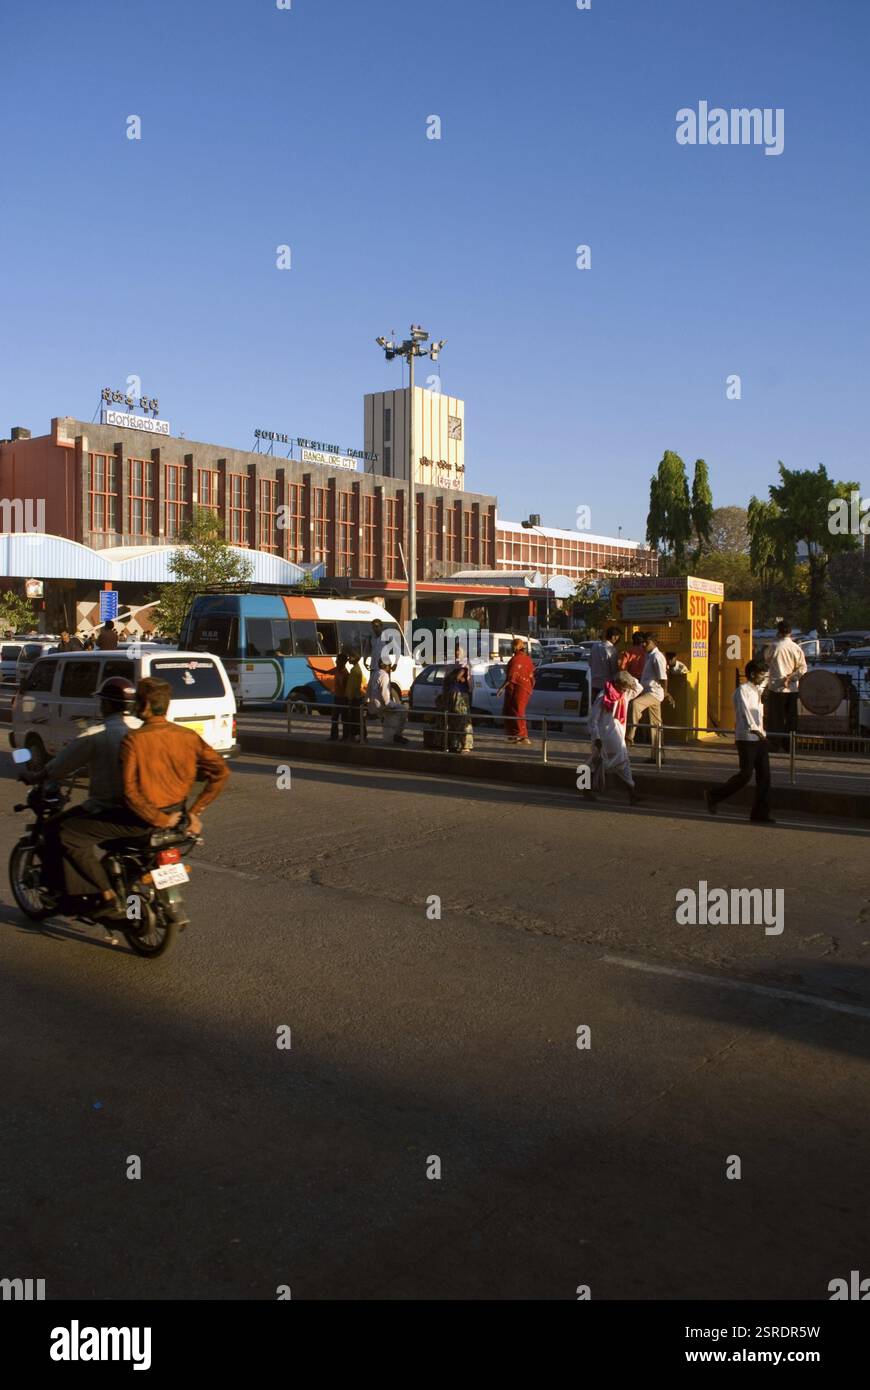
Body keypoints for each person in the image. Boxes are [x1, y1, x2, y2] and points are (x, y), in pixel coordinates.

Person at [57, 678, 229, 921]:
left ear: (144, 705)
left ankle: (107, 895)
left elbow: (131, 793)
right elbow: (221, 772)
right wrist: (194, 811)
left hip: (142, 820)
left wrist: (158, 818)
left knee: (69, 833)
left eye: (137, 700)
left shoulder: (135, 740)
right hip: (177, 815)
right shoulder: (187, 736)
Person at [39, 677, 142, 901]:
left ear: (106, 704)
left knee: (61, 831)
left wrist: (38, 775)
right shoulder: (144, 729)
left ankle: (102, 891)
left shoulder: (97, 734)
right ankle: (125, 905)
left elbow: (60, 766)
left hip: (109, 809)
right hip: (150, 812)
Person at [705, 660, 774, 824]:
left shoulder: (758, 690)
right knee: (745, 775)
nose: (763, 678)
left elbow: (759, 712)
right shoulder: (742, 691)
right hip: (747, 738)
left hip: (759, 738)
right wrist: (755, 729)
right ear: (752, 674)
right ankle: (714, 795)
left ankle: (760, 814)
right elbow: (744, 712)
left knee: (765, 777)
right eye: (761, 675)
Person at [585, 670, 643, 804]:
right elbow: (593, 720)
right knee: (614, 763)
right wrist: (597, 737)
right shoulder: (603, 696)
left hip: (618, 735)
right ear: (617, 684)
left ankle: (632, 792)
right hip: (605, 736)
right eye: (624, 686)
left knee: (607, 763)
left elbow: (639, 687)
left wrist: (629, 677)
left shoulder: (625, 694)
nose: (626, 689)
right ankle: (631, 793)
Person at [626, 633, 671, 762]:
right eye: (643, 642)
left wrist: (666, 693)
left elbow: (663, 678)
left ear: (653, 642)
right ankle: (657, 758)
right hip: (649, 692)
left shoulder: (657, 656)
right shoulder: (649, 656)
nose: (643, 645)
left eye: (646, 642)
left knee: (635, 704)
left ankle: (630, 736)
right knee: (656, 726)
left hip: (654, 693)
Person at [764, 620, 807, 751]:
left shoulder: (774, 646)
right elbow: (803, 668)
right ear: (790, 632)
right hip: (792, 688)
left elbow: (767, 659)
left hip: (776, 687)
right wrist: (792, 677)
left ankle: (775, 744)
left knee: (775, 718)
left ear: (778, 631)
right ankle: (790, 745)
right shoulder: (796, 648)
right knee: (791, 719)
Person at [499, 637, 536, 745]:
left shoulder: (518, 659)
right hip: (517, 688)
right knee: (511, 710)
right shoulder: (525, 659)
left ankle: (522, 736)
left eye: (512, 646)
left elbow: (512, 676)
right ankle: (514, 735)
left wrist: (501, 688)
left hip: (519, 688)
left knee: (518, 711)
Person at [368, 658, 409, 744]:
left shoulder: (374, 673)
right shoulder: (385, 675)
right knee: (403, 710)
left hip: (373, 703)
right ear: (386, 666)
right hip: (381, 705)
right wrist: (391, 705)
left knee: (392, 714)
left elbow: (368, 689)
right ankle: (397, 735)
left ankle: (392, 734)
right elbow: (384, 695)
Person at [442, 662, 473, 754]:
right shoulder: (451, 667)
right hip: (452, 695)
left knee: (463, 720)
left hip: (461, 695)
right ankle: (455, 744)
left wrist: (455, 675)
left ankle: (465, 745)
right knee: (453, 720)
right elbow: (449, 679)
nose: (457, 655)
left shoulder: (464, 666)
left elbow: (457, 677)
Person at [588, 627, 621, 701]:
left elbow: (590, 663)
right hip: (606, 684)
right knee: (604, 708)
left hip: (594, 682)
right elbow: (614, 669)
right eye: (618, 637)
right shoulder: (612, 649)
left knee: (594, 706)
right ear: (614, 637)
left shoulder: (595, 646)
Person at [344, 650, 368, 742]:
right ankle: (361, 736)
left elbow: (353, 687)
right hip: (356, 697)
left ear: (354, 658)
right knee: (357, 718)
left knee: (356, 718)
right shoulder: (355, 669)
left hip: (355, 698)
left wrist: (350, 698)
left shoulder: (355, 671)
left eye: (350, 657)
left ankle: (361, 736)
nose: (349, 659)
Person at [330, 650, 350, 741]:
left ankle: (345, 736)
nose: (336, 661)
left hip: (343, 699)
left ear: (342, 662)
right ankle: (334, 736)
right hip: (337, 697)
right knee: (334, 718)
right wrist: (312, 668)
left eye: (337, 660)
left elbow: (345, 688)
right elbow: (326, 672)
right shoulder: (336, 670)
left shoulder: (346, 674)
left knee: (344, 719)